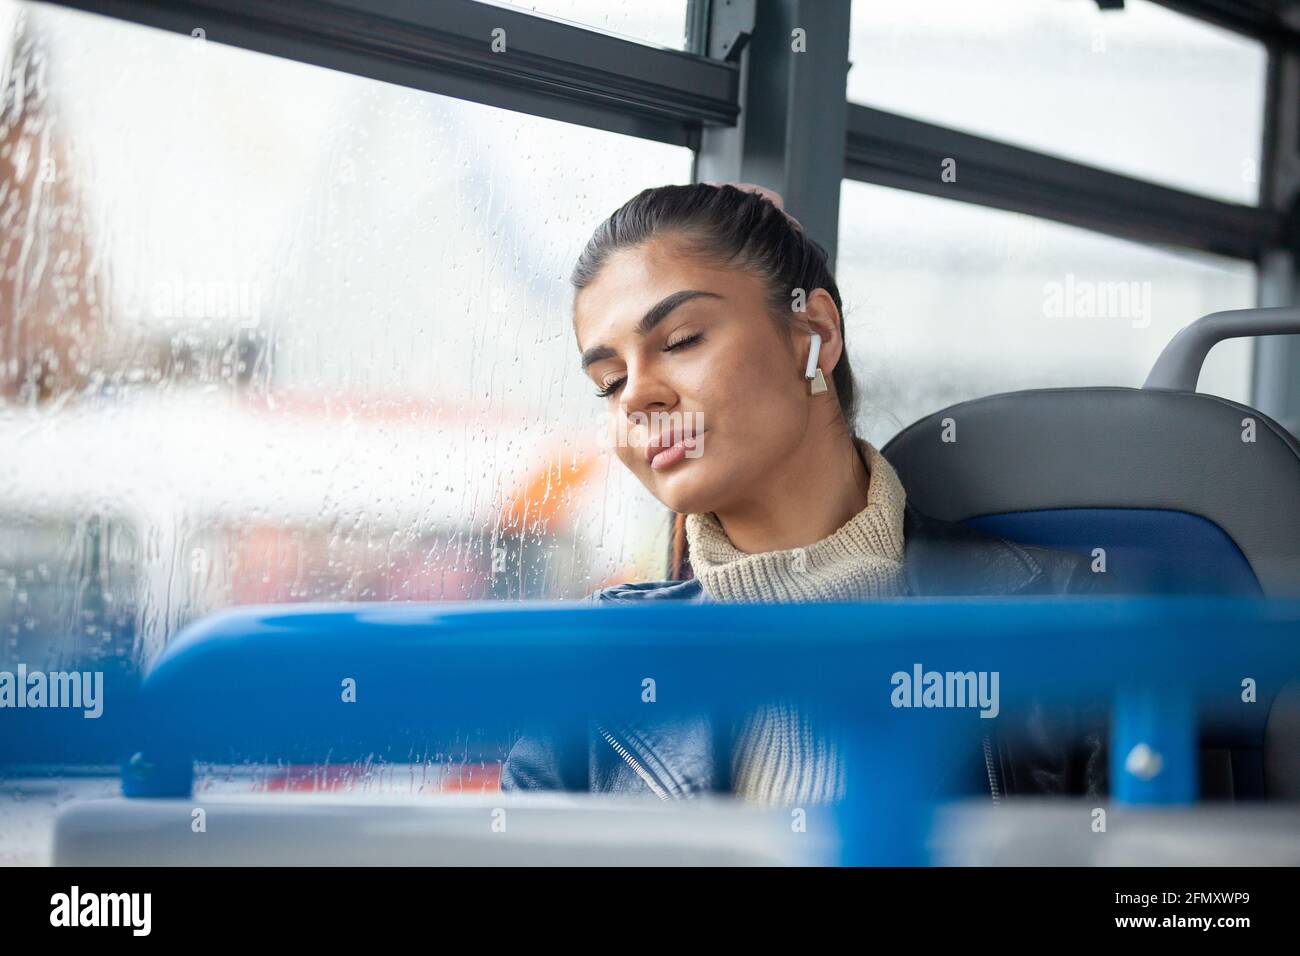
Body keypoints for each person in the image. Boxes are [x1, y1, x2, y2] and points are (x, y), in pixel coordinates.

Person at [501, 182, 1108, 805]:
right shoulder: (590, 670)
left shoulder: (1067, 620)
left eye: (681, 341)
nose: (634, 398)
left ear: (813, 333)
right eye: (610, 381)